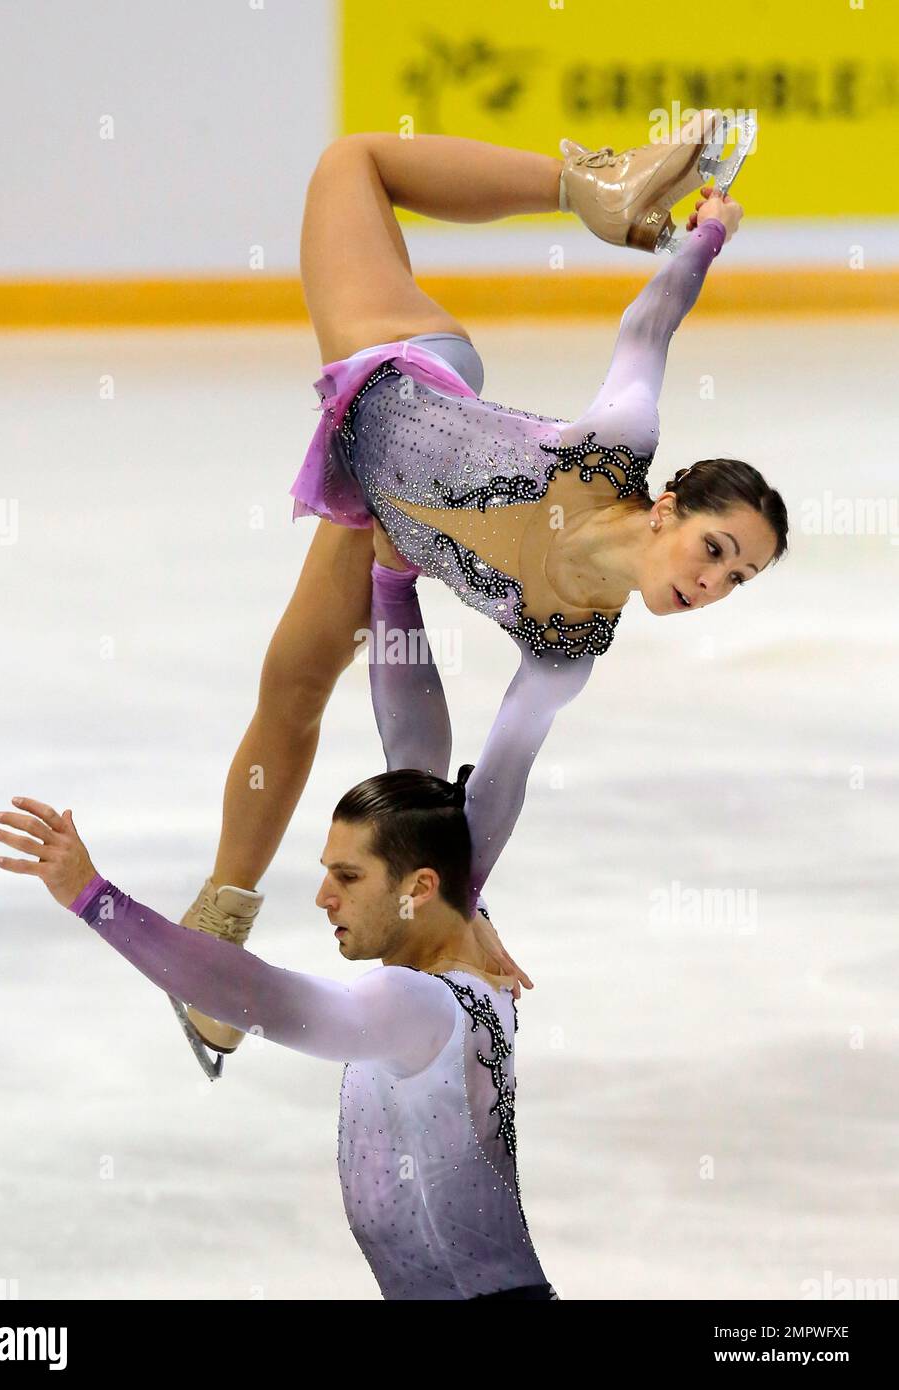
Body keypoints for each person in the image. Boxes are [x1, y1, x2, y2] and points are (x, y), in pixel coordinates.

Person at [171, 113, 789, 1063]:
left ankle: (216, 929)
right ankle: (586, 186)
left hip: (382, 519)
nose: (711, 583)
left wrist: (459, 909)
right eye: (715, 549)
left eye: (735, 579)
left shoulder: (566, 651)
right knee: (355, 160)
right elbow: (650, 324)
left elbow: (454, 778)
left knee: (292, 686)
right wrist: (700, 240)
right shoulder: (609, 447)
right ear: (666, 507)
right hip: (397, 366)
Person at [0, 785, 557, 1301]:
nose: (323, 897)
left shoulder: (413, 1004)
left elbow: (258, 997)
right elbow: (449, 747)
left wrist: (94, 898)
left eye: (349, 877)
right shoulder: (479, 958)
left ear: (420, 887)